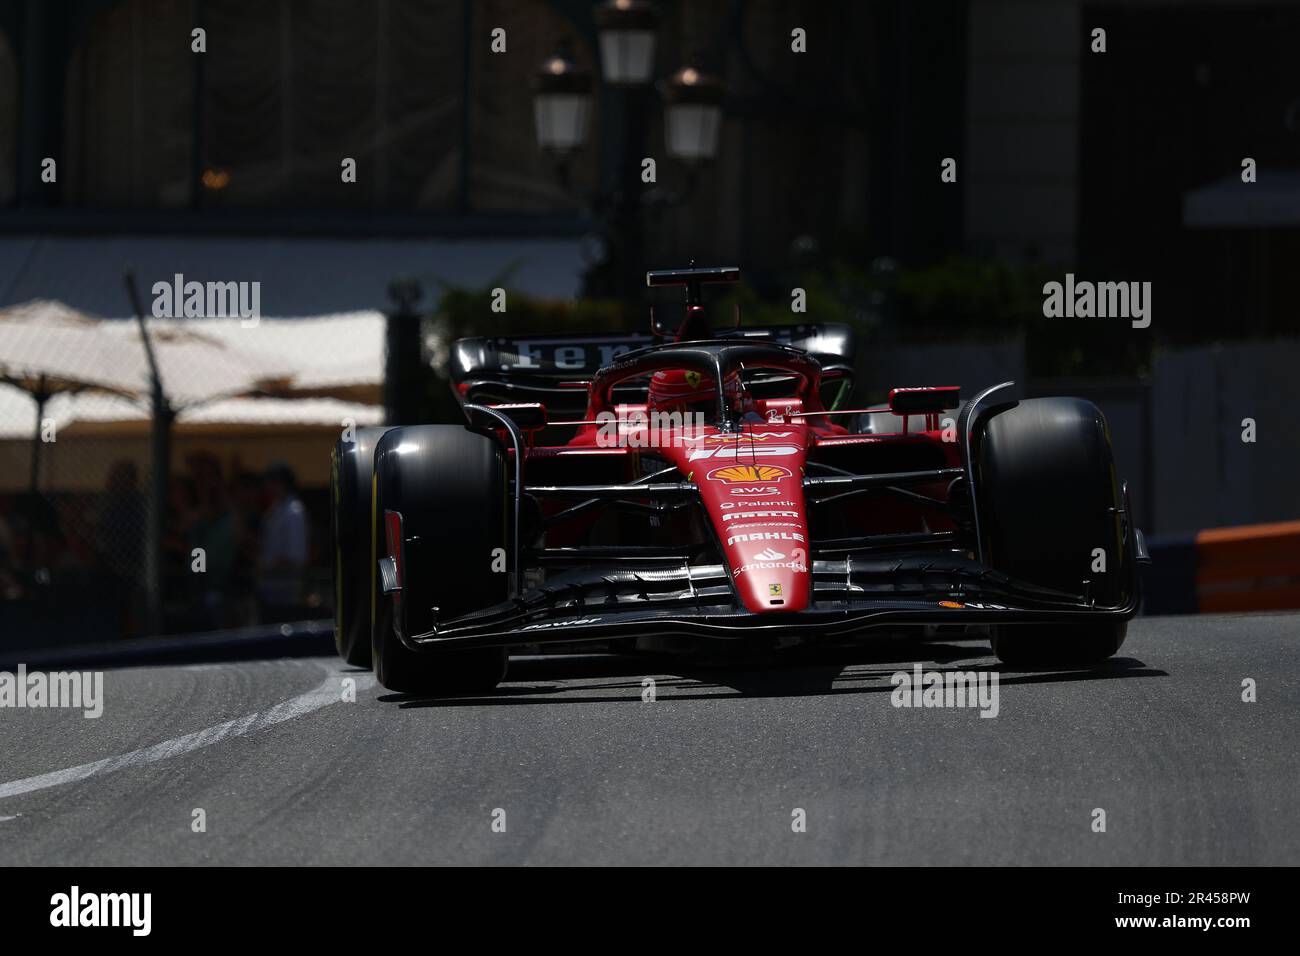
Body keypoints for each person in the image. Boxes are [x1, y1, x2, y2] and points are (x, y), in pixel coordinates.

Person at [256, 461, 309, 622]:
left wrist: (267, 565)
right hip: (270, 589)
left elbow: (296, 558)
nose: (268, 486)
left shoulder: (294, 512)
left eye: (273, 482)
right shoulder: (275, 509)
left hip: (287, 591)